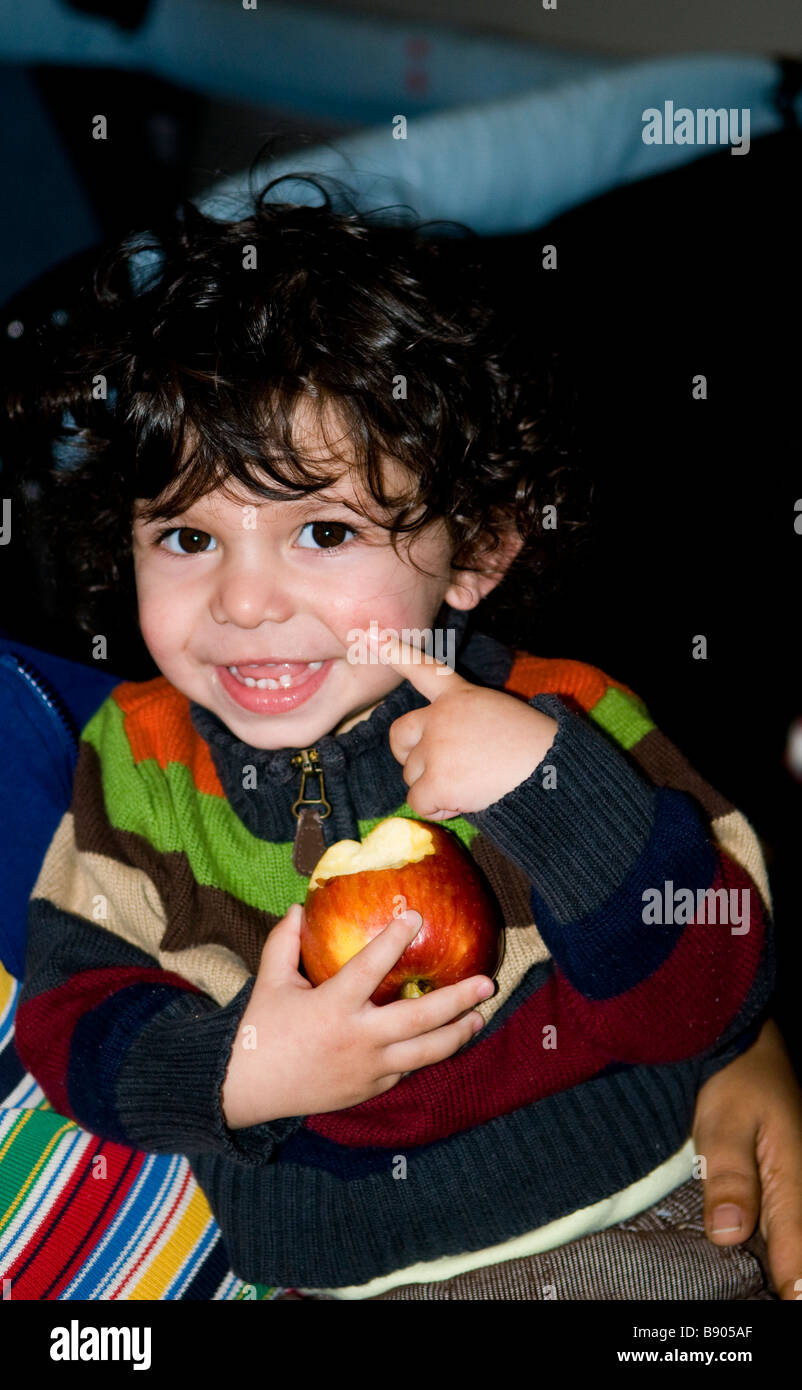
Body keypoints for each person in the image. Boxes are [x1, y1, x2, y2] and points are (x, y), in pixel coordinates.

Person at [11, 173, 785, 1299]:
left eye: (321, 529)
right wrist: (235, 1073)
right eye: (185, 536)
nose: (241, 600)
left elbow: (715, 989)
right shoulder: (132, 762)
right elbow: (68, 1017)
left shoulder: (565, 715)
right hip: (338, 1276)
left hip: (641, 1215)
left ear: (473, 554)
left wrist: (551, 790)